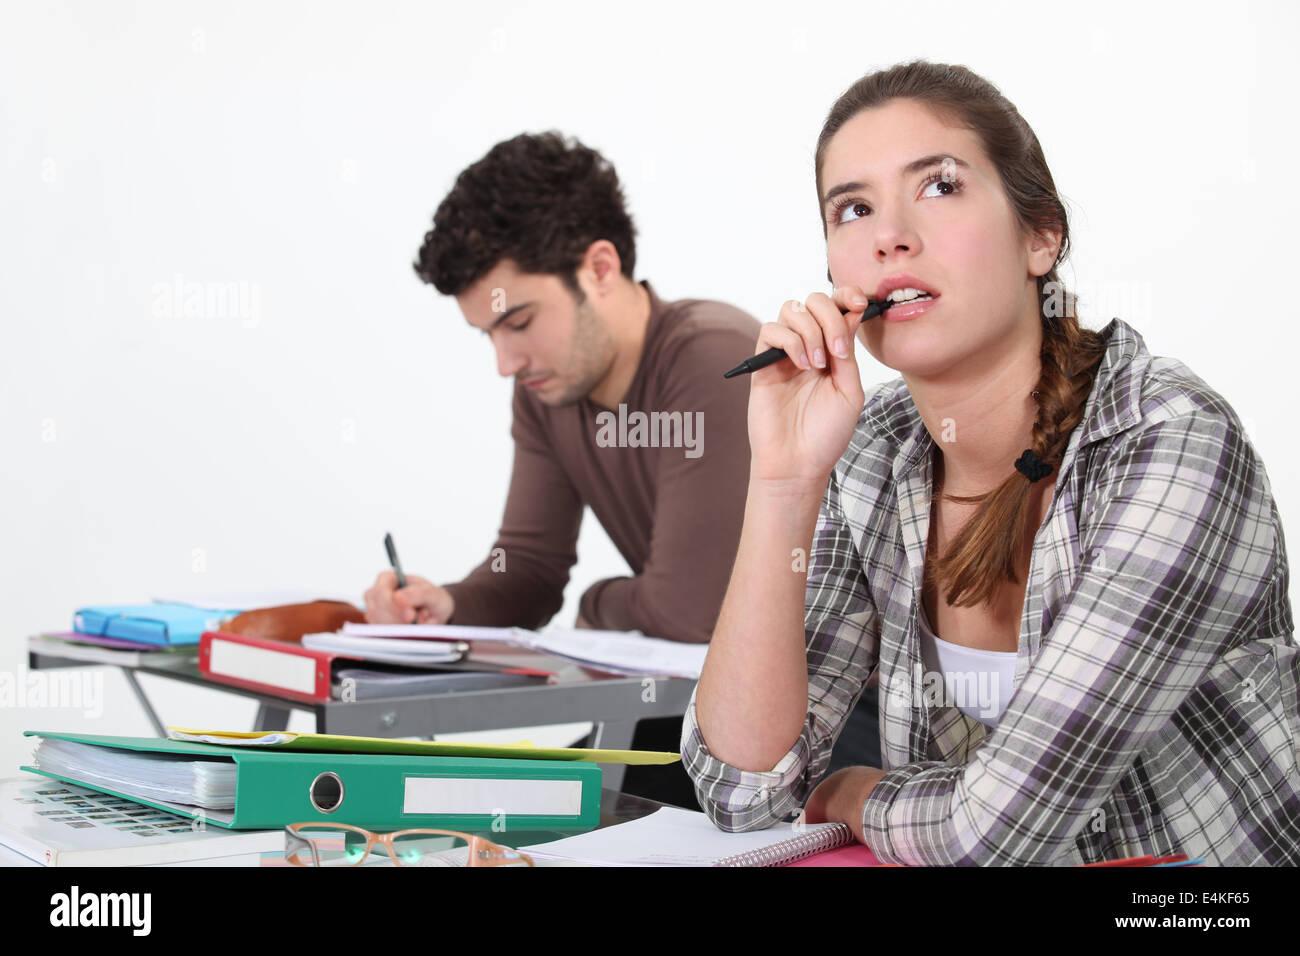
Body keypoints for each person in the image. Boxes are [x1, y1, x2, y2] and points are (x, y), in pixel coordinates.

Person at [682, 59, 1299, 865]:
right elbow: (742, 787)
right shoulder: (876, 452)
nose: (888, 234)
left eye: (938, 186)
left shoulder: (1169, 438)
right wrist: (784, 479)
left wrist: (858, 793)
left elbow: (997, 833)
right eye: (854, 208)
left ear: (1041, 236)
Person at [364, 131, 761, 809]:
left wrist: (596, 602)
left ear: (600, 268)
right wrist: (449, 606)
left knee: (546, 818)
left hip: (830, 725)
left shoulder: (712, 360)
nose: (505, 362)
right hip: (696, 712)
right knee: (488, 812)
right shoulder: (549, 392)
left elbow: (693, 613)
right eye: (488, 334)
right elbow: (528, 570)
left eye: (517, 321)